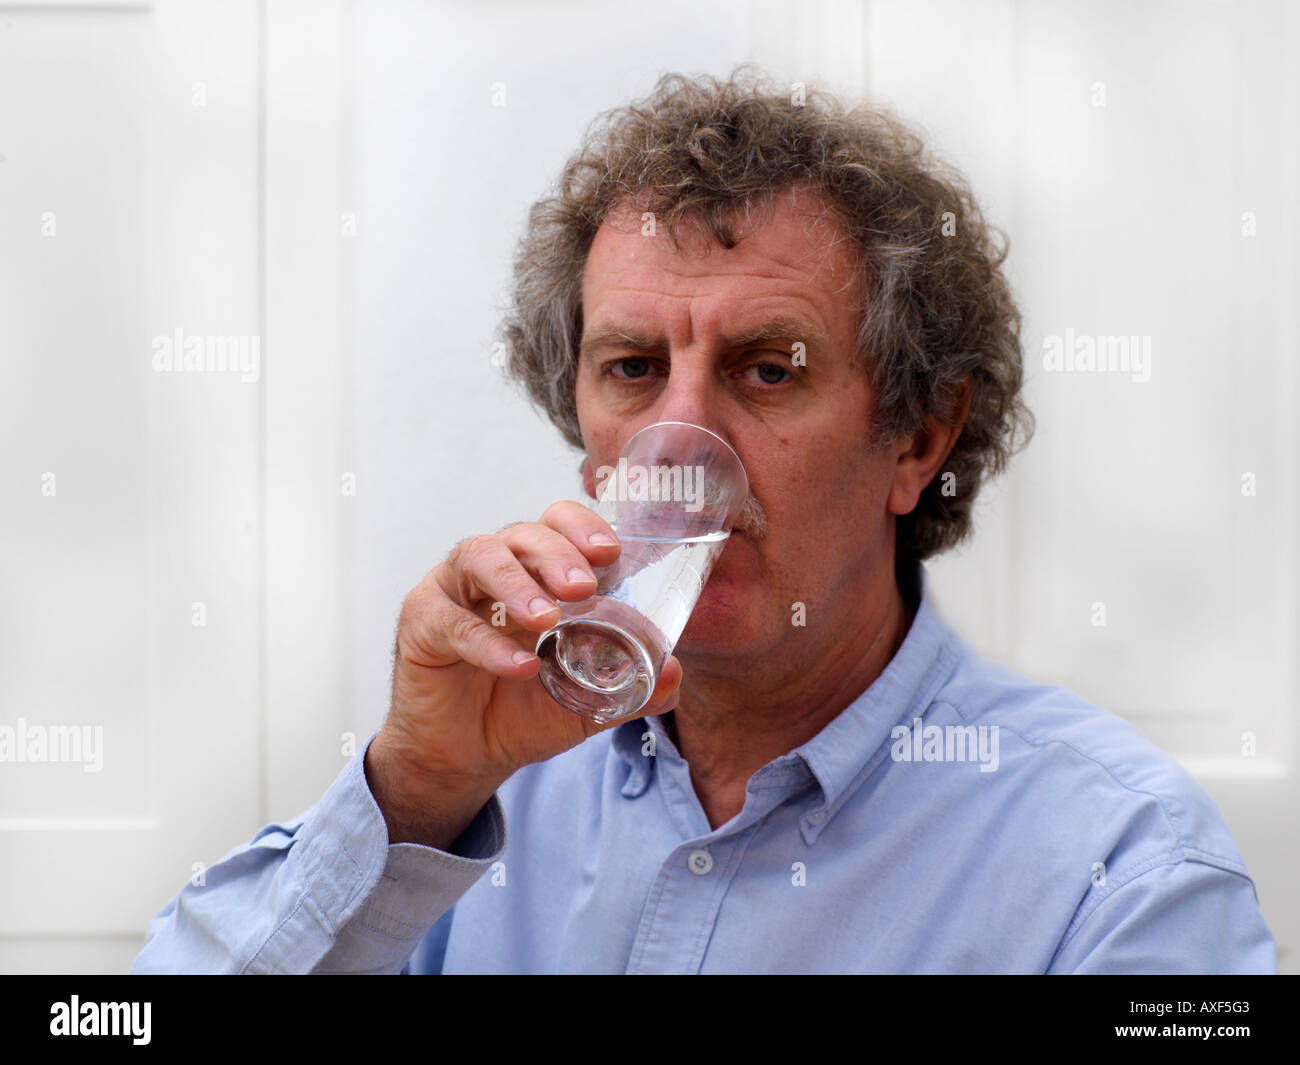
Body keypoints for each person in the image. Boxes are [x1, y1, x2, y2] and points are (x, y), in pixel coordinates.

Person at [132, 68, 1276, 974]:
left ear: (918, 437)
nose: (682, 448)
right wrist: (410, 798)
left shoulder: (1117, 864)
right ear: (581, 424)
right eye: (632, 367)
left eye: (768, 371)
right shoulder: (487, 783)